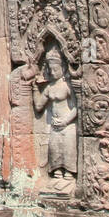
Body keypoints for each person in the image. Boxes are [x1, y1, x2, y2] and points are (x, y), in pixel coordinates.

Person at [33, 42, 78, 178]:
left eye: (55, 70)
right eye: (50, 70)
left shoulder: (67, 86)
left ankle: (69, 171)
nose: (52, 72)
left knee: (68, 148)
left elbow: (77, 107)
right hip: (54, 125)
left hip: (67, 124)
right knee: (55, 150)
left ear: (63, 68)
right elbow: (39, 106)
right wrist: (34, 88)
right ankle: (57, 170)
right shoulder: (49, 88)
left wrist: (66, 121)